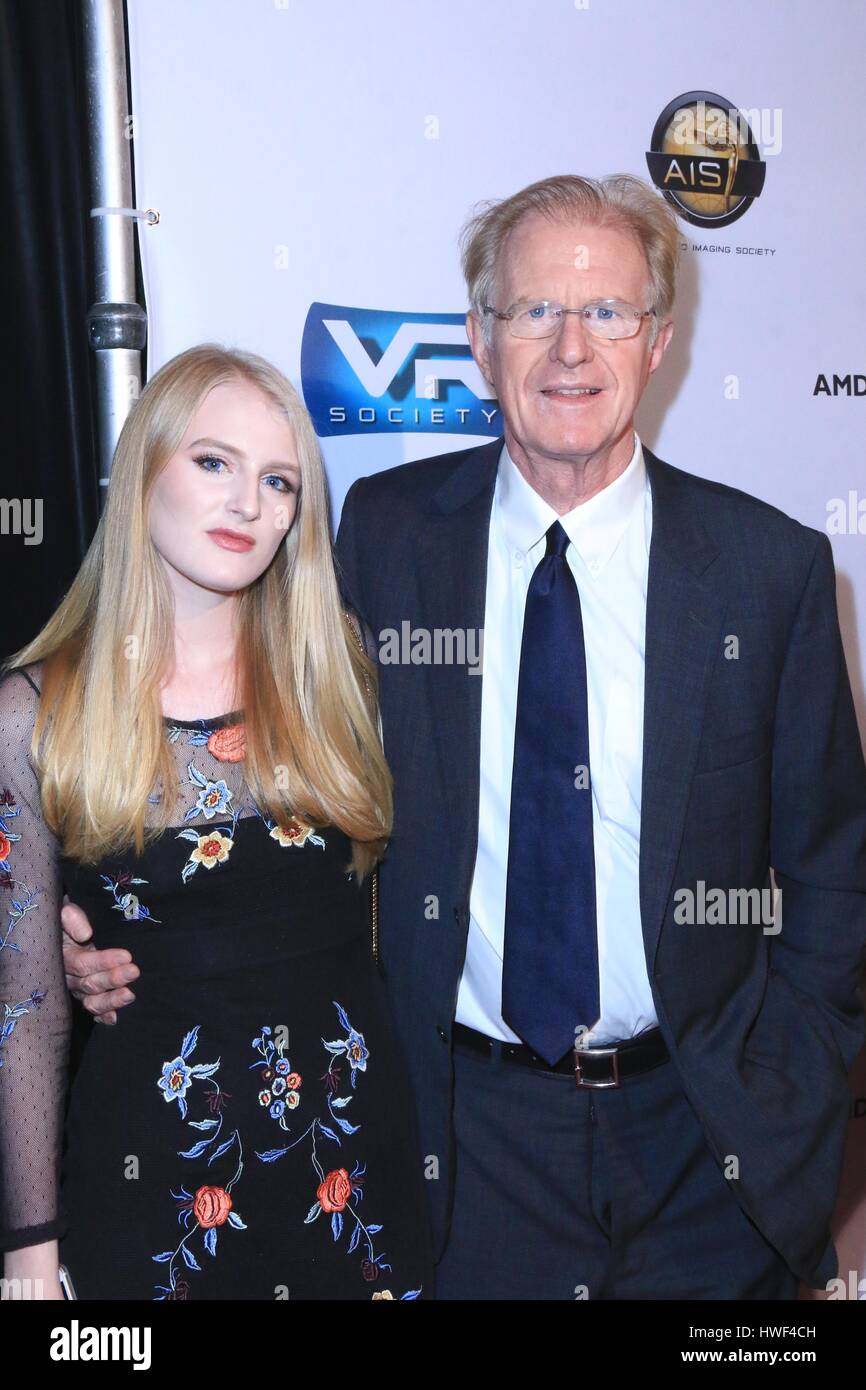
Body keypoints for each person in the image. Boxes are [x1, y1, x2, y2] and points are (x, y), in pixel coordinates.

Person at [61, 175, 866, 1300]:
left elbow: (832, 878)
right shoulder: (386, 540)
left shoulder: (766, 572)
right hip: (462, 1142)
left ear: (660, 341)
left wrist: (789, 1092)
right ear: (480, 340)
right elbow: (240, 757)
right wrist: (96, 926)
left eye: (607, 313)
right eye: (532, 310)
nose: (569, 348)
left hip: (709, 1141)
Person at [0, 344, 433, 1300]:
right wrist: (29, 1248)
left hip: (356, 1185)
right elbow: (20, 1015)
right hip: (149, 1193)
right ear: (143, 468)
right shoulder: (32, 717)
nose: (248, 503)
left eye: (278, 480)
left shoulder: (343, 672)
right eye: (214, 462)